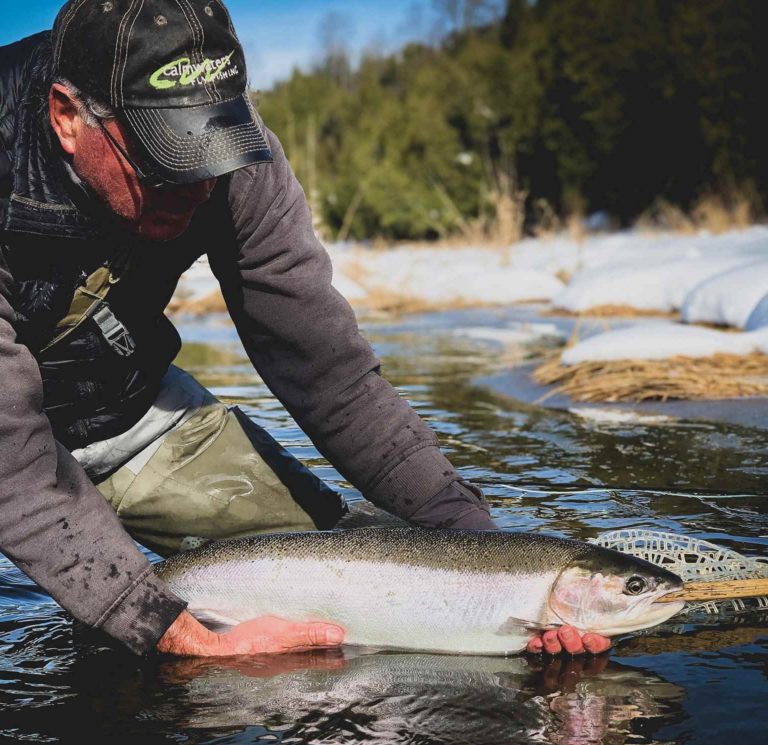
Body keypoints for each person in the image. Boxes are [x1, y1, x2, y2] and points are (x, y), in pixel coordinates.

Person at [0, 0, 609, 659]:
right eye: (165, 163)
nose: (198, 187)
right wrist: (168, 630)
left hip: (125, 410)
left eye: (211, 160)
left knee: (344, 595)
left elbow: (328, 371)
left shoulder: (236, 152)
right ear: (68, 116)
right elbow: (11, 449)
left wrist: (491, 564)